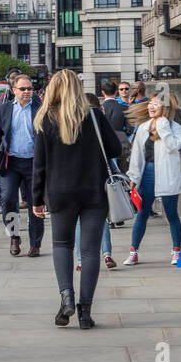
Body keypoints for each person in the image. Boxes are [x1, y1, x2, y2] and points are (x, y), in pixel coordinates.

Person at [31, 69, 122, 330]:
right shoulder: (94, 115)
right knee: (91, 251)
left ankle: (66, 297)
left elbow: (40, 165)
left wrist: (37, 198)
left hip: (60, 192)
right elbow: (115, 148)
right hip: (94, 191)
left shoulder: (46, 119)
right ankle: (85, 312)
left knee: (61, 245)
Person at [125, 91, 181, 265]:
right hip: (148, 173)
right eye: (150, 102)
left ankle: (176, 251)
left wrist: (163, 125)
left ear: (165, 108)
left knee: (171, 213)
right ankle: (133, 251)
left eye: (156, 103)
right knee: (142, 213)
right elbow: (137, 154)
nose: (151, 106)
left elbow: (173, 146)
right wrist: (134, 177)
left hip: (167, 174)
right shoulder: (143, 127)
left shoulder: (175, 128)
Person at [0, 74, 43, 257]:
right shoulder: (4, 109)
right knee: (9, 199)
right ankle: (14, 235)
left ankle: (35, 243)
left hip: (34, 163)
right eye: (23, 89)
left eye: (30, 89)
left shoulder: (40, 108)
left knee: (36, 203)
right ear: (14, 90)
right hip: (10, 163)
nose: (27, 92)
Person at [74, 94, 117, 272]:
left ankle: (81, 260)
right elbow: (115, 149)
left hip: (76, 179)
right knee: (101, 219)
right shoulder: (99, 123)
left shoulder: (72, 124)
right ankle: (106, 253)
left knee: (78, 221)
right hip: (97, 178)